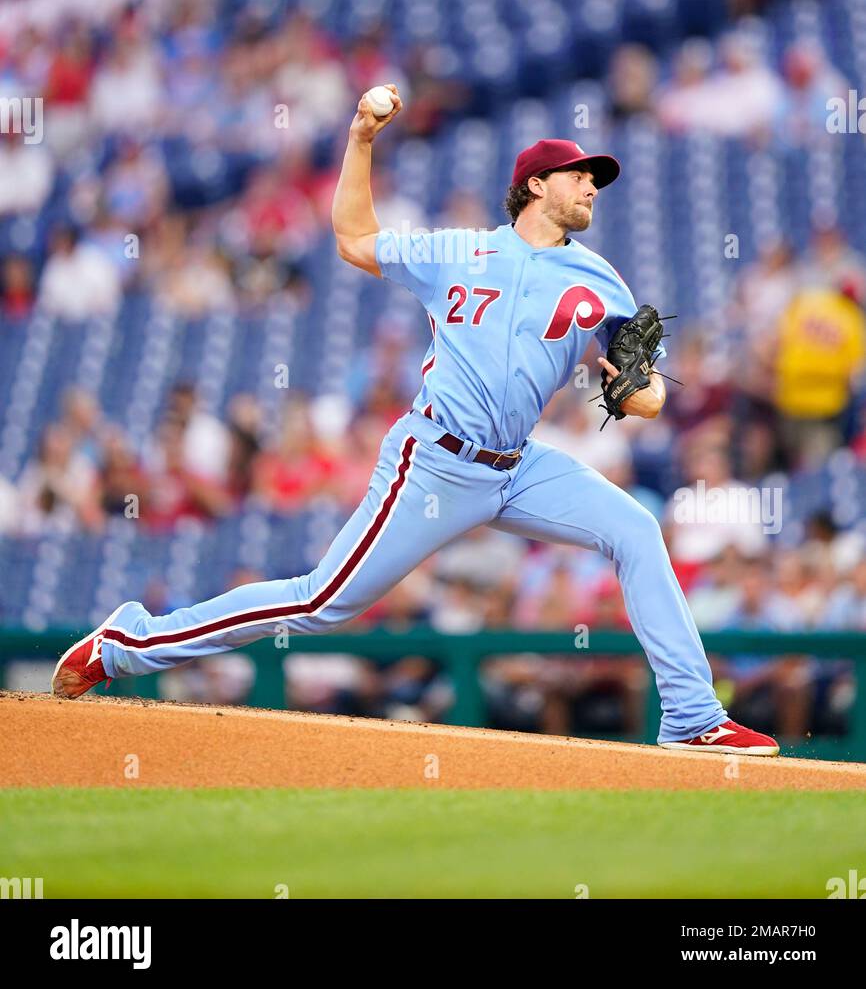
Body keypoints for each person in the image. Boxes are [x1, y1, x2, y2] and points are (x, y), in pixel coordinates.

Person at [52, 87, 778, 755]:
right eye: (580, 173)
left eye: (597, 178)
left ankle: (691, 717)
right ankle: (125, 642)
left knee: (635, 529)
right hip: (435, 461)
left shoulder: (600, 278)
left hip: (519, 467)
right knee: (323, 601)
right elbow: (353, 239)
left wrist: (634, 387)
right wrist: (362, 138)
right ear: (534, 184)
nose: (592, 185)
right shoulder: (457, 250)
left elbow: (644, 394)